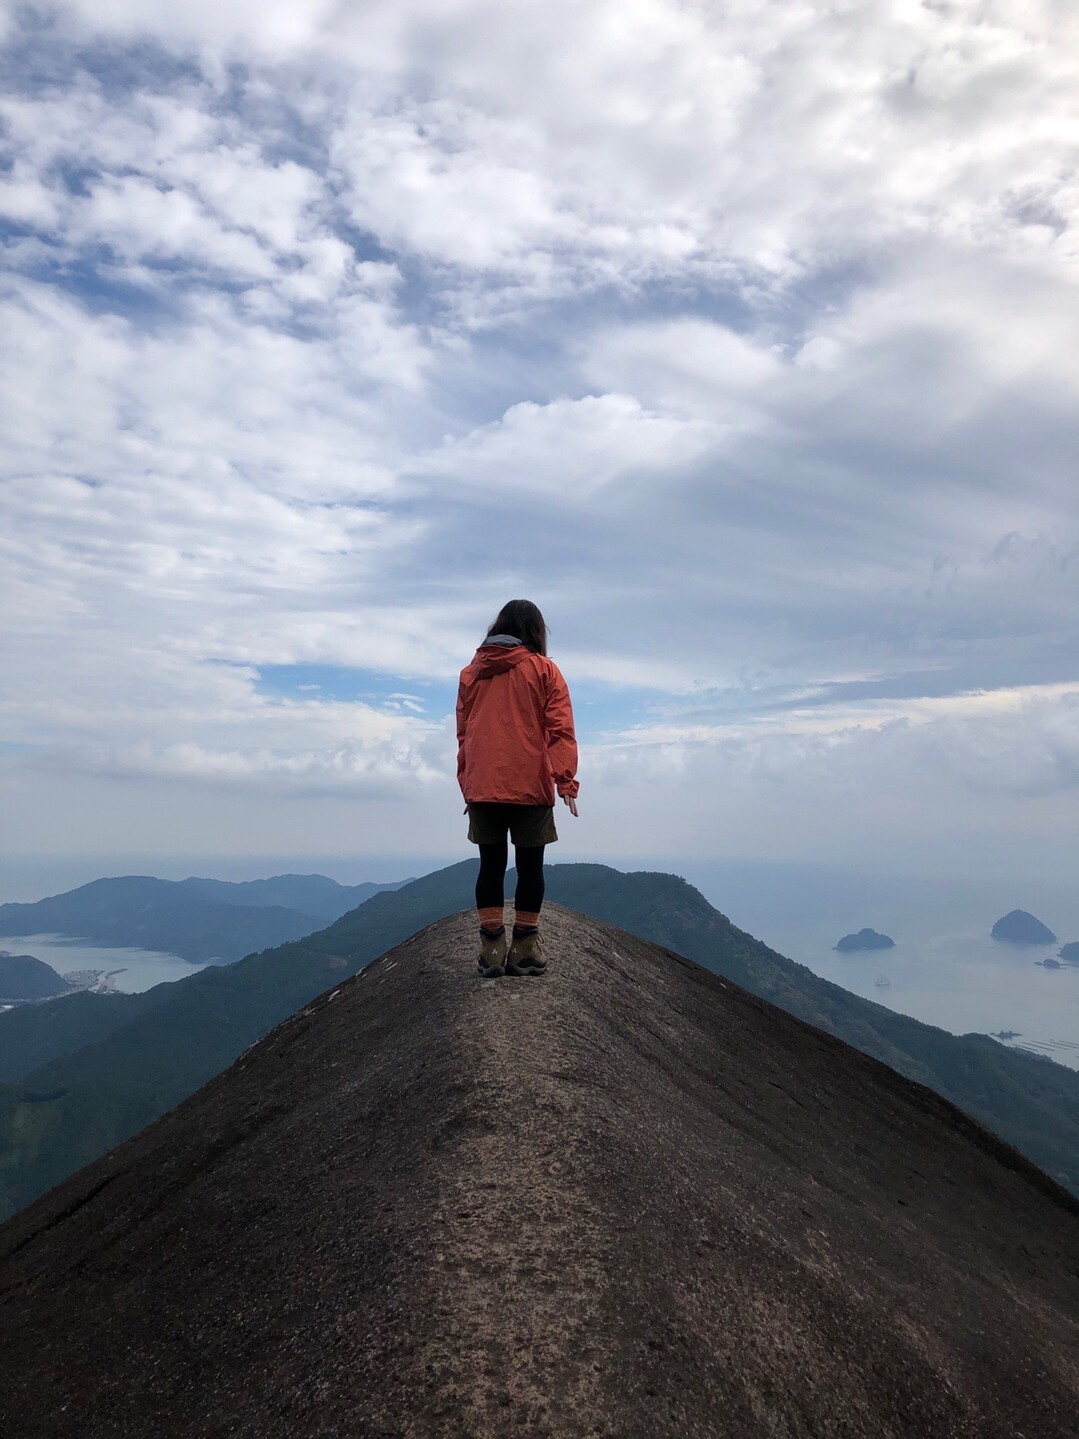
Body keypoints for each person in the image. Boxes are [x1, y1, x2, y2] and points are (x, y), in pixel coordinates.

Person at [456, 599, 579, 978]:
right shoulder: (544, 669)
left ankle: (492, 950)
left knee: (490, 866)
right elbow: (560, 728)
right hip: (529, 784)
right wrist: (565, 780)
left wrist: (468, 782)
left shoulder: (472, 673)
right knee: (530, 867)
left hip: (483, 785)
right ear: (535, 630)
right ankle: (524, 949)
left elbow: (464, 734)